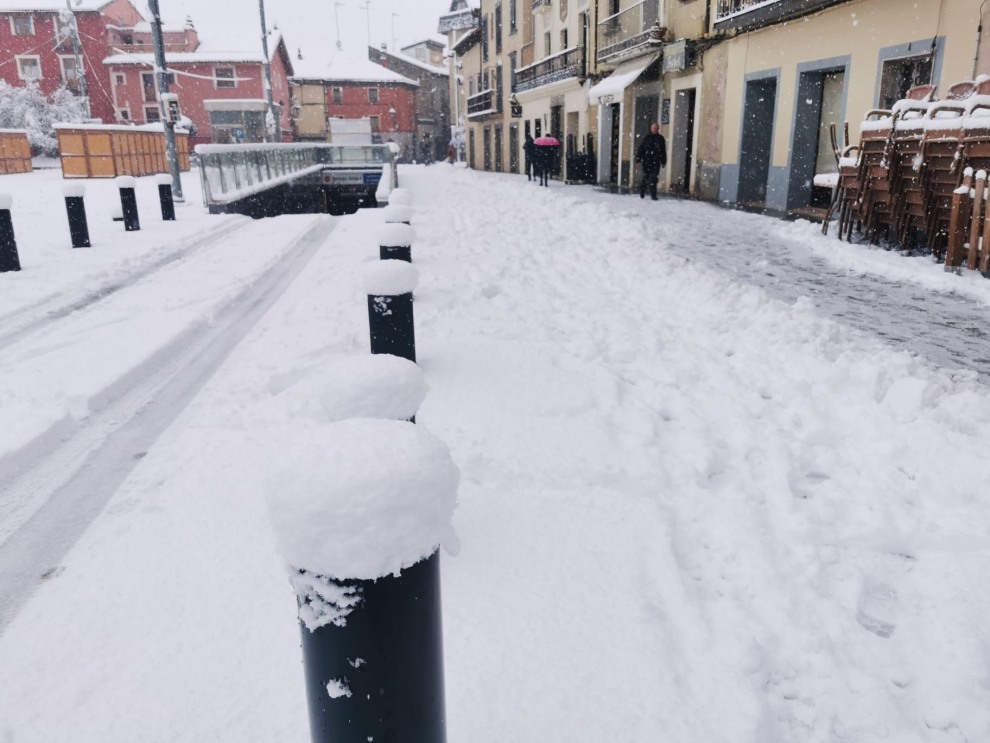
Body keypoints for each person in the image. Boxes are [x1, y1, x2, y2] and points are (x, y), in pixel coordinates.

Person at [635, 123, 667, 201]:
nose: (655, 130)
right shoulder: (647, 138)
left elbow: (663, 150)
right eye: (654, 128)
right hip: (647, 161)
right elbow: (641, 149)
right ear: (651, 129)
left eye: (656, 128)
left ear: (658, 129)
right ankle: (642, 191)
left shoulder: (661, 138)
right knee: (646, 177)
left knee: (654, 178)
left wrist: (663, 161)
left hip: (656, 161)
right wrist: (638, 160)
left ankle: (653, 195)